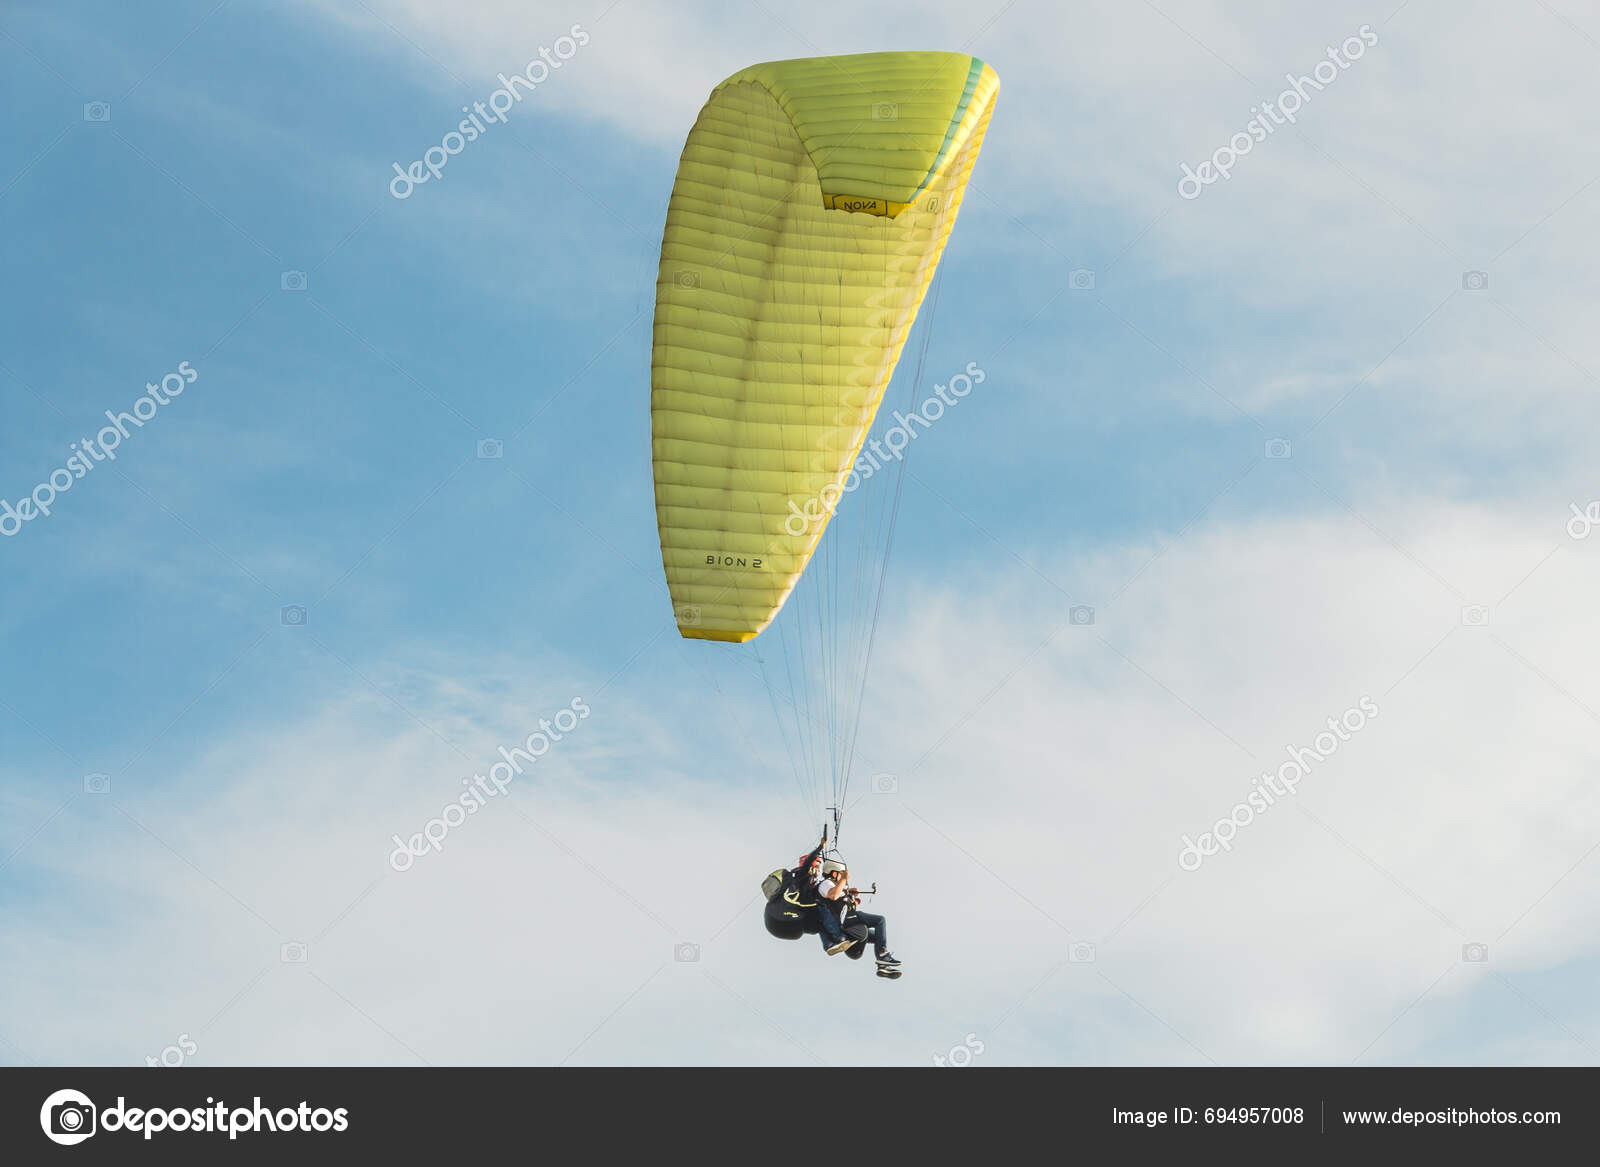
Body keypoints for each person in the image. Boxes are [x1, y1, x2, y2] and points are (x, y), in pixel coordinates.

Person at [816, 860, 899, 973]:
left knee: (877, 936)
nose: (844, 877)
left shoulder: (835, 885)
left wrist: (849, 894)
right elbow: (833, 895)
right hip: (847, 919)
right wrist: (844, 880)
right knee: (880, 920)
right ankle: (883, 955)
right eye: (841, 873)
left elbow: (839, 895)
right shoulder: (825, 883)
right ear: (834, 874)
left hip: (849, 919)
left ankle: (882, 966)